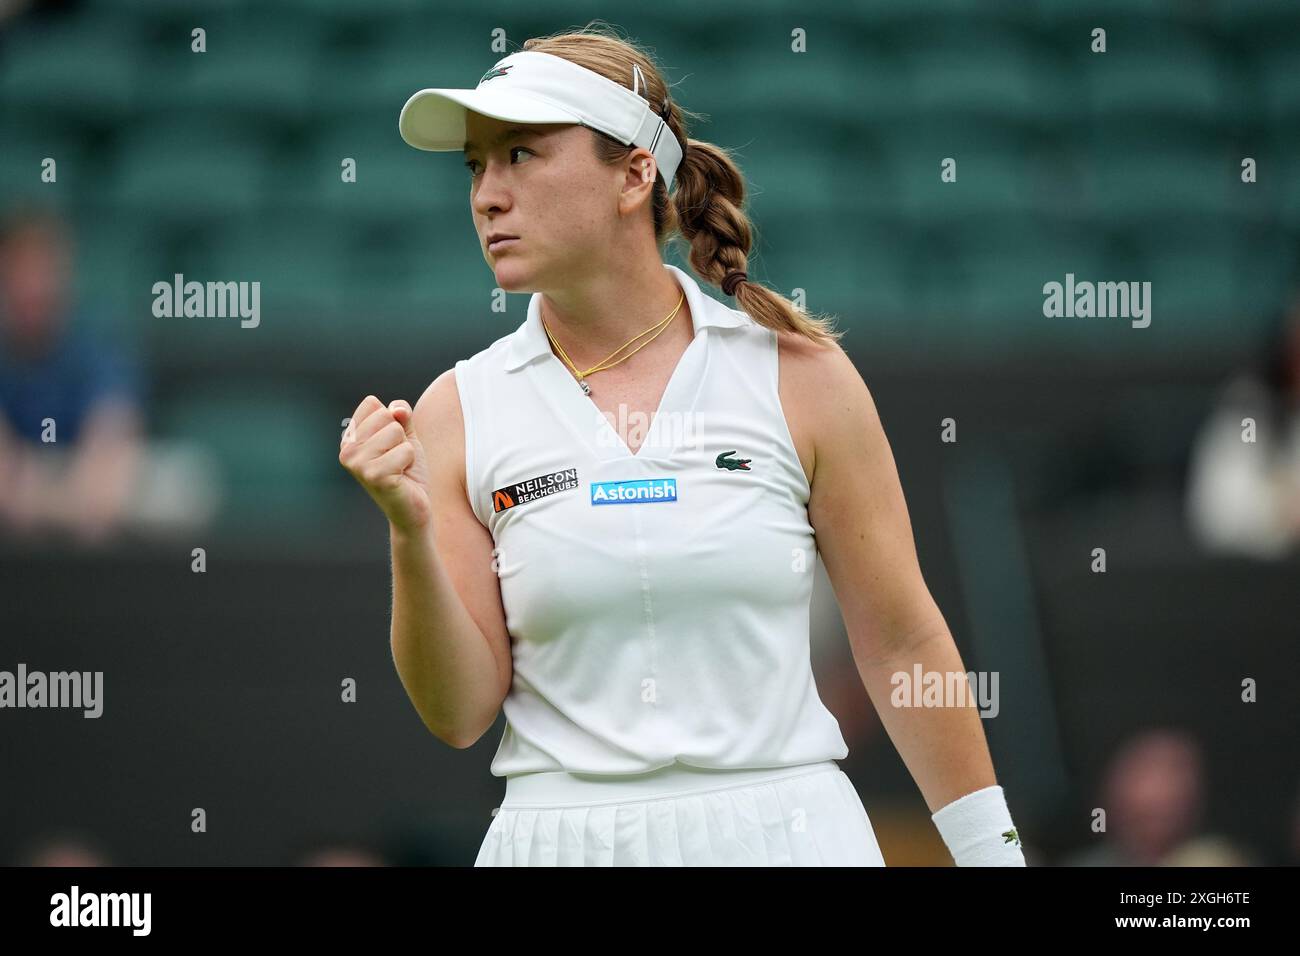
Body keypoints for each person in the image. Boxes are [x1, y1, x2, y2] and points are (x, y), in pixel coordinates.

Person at [339, 24, 1025, 866]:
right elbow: (458, 713)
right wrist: (408, 534)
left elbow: (903, 641)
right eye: (476, 165)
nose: (487, 194)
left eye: (520, 155)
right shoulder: (458, 409)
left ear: (633, 174)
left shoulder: (803, 375)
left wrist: (993, 855)